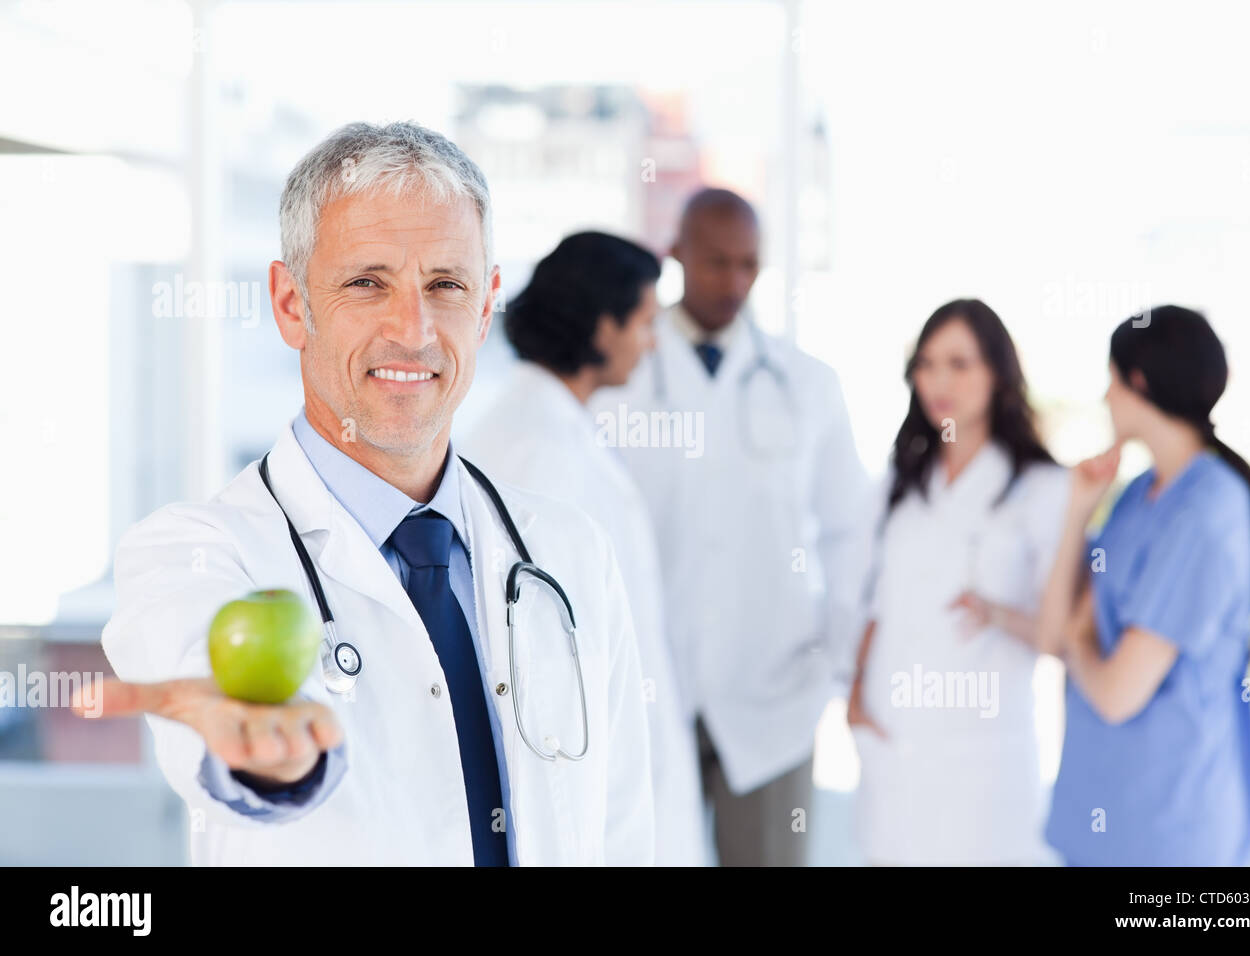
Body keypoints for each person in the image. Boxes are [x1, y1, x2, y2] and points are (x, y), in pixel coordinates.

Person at [80, 122, 655, 866]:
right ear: (291, 304)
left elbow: (623, 831)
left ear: (485, 309)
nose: (412, 330)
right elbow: (203, 682)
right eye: (366, 283)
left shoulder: (571, 551)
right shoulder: (195, 553)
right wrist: (267, 756)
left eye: (446, 285)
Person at [592, 188, 873, 866]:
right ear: (676, 256)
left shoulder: (807, 384)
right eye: (716, 262)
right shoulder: (619, 381)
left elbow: (850, 532)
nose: (735, 282)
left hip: (773, 694)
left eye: (750, 264)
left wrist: (838, 661)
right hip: (650, 690)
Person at [461, 231, 709, 865]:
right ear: (603, 328)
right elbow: (544, 677)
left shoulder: (555, 428)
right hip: (584, 802)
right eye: (645, 322)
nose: (653, 342)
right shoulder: (540, 452)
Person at [1040, 305, 1250, 866]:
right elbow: (1055, 631)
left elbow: (1116, 692)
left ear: (1140, 381)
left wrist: (1079, 643)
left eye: (1112, 379)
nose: (1105, 397)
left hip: (1171, 833)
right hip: (1108, 814)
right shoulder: (1136, 496)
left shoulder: (1206, 511)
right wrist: (1078, 511)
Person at [846, 299, 1069, 865]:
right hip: (892, 741)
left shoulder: (1043, 489)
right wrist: (854, 702)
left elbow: (1060, 632)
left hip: (984, 758)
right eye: (926, 364)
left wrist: (995, 613)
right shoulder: (899, 481)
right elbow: (876, 601)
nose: (939, 381)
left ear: (998, 373)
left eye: (959, 363)